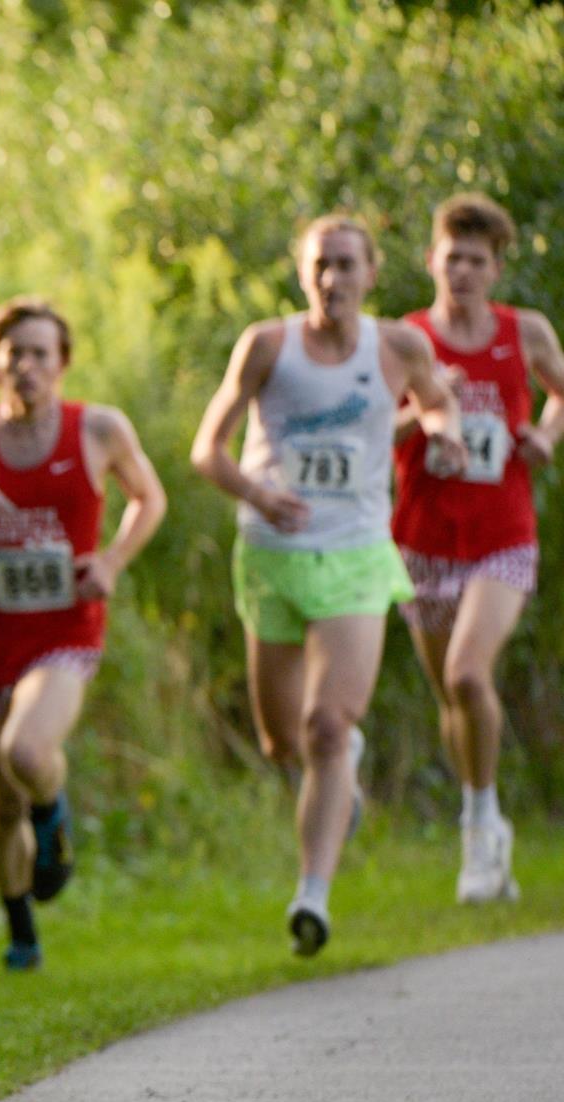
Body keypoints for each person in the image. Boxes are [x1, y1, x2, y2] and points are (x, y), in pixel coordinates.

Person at [190, 214, 464, 957]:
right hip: (273, 555)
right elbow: (205, 451)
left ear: (372, 273)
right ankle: (345, 783)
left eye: (346, 265)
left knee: (327, 726)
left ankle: (312, 895)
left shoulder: (399, 346)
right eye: (319, 265)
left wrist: (444, 431)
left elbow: (440, 399)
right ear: (301, 273)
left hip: (355, 554)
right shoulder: (267, 346)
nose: (331, 279)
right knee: (284, 742)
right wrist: (256, 491)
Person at [0, 297, 167, 971]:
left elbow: (151, 496)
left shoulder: (99, 429)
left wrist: (110, 560)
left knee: (28, 752)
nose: (25, 365)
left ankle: (53, 821)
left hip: (65, 632)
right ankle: (21, 928)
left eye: (39, 353)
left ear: (62, 363)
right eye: (13, 352)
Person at [391, 193, 564, 904]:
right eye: (450, 256)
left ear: (496, 269)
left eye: (476, 260)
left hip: (502, 533)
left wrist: (546, 438)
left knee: (468, 674)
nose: (461, 270)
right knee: (452, 696)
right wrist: (426, 410)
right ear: (431, 259)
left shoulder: (523, 332)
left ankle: (481, 826)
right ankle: (480, 812)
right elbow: (369, 431)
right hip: (423, 538)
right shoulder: (404, 339)